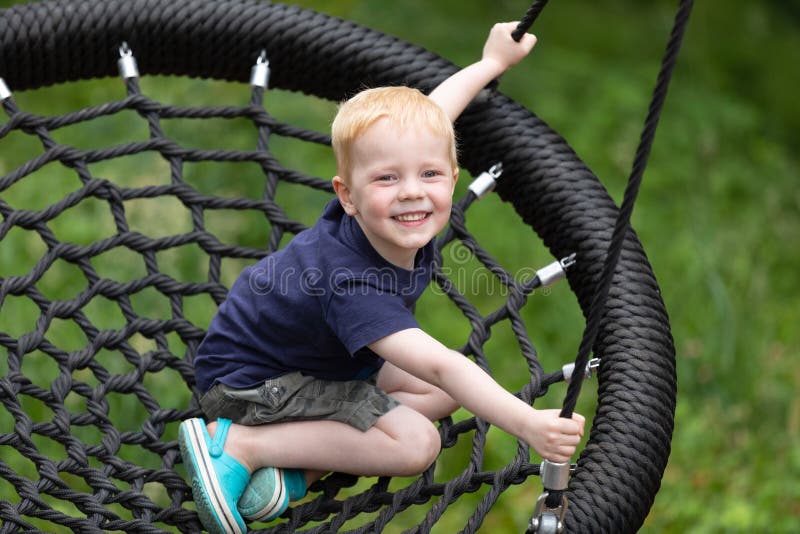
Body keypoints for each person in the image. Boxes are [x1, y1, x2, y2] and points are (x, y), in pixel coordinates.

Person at [178, 22, 584, 534]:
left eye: (429, 175)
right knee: (417, 442)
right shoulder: (352, 282)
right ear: (347, 195)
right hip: (250, 388)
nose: (412, 192)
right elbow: (437, 364)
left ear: (452, 178)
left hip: (314, 361)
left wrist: (491, 62)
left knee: (444, 396)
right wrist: (528, 423)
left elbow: (435, 116)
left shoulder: (393, 218)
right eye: (387, 178)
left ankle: (287, 470)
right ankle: (240, 446)